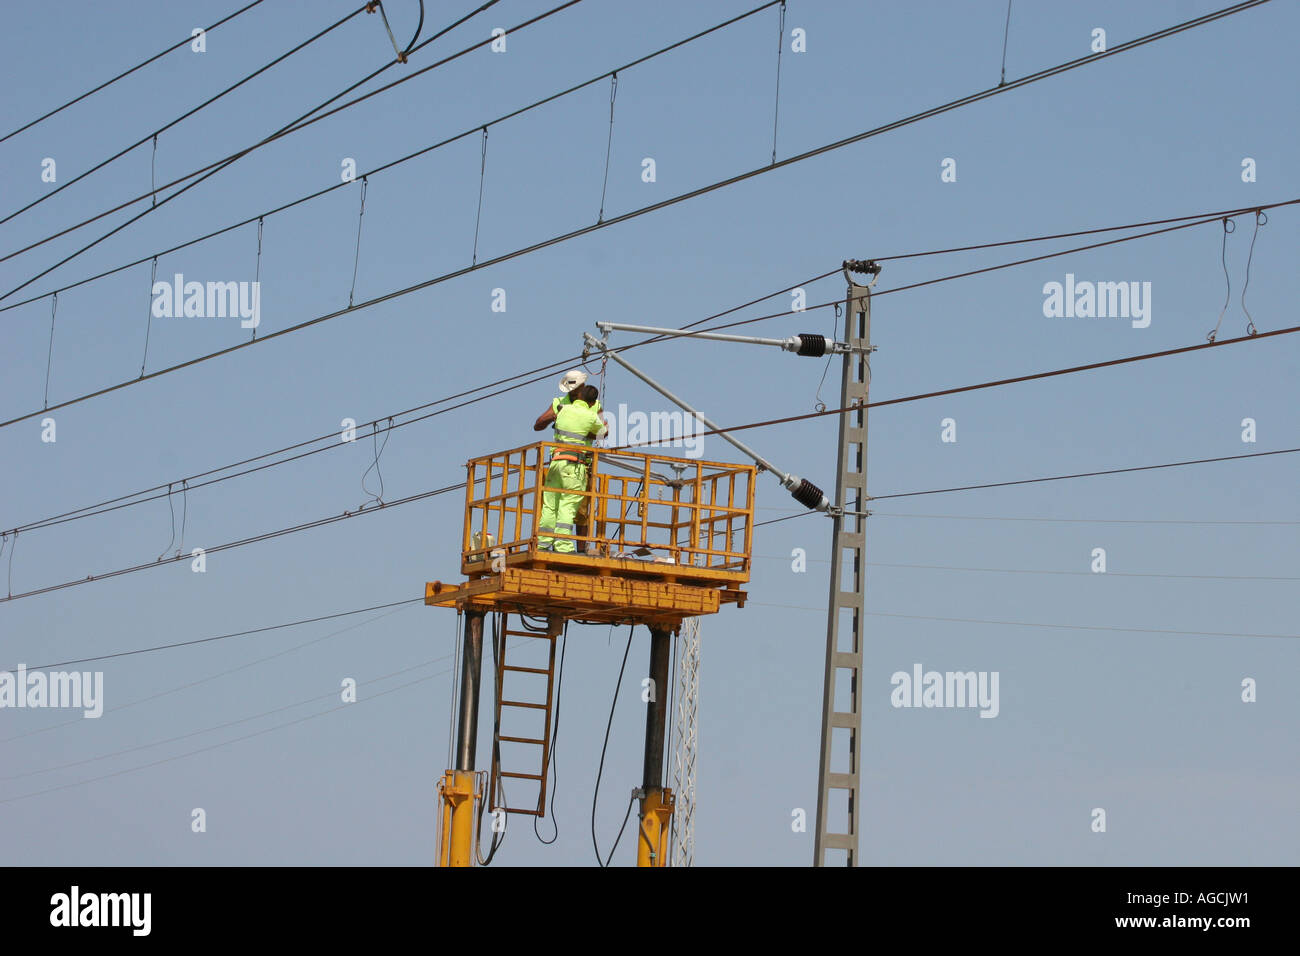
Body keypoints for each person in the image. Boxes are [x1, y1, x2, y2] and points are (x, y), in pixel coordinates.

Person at [533, 383, 606, 553]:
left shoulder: (562, 409)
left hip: (556, 461)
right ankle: (563, 545)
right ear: (591, 402)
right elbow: (603, 432)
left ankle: (543, 543)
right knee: (568, 505)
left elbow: (543, 423)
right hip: (575, 465)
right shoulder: (590, 415)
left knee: (550, 505)